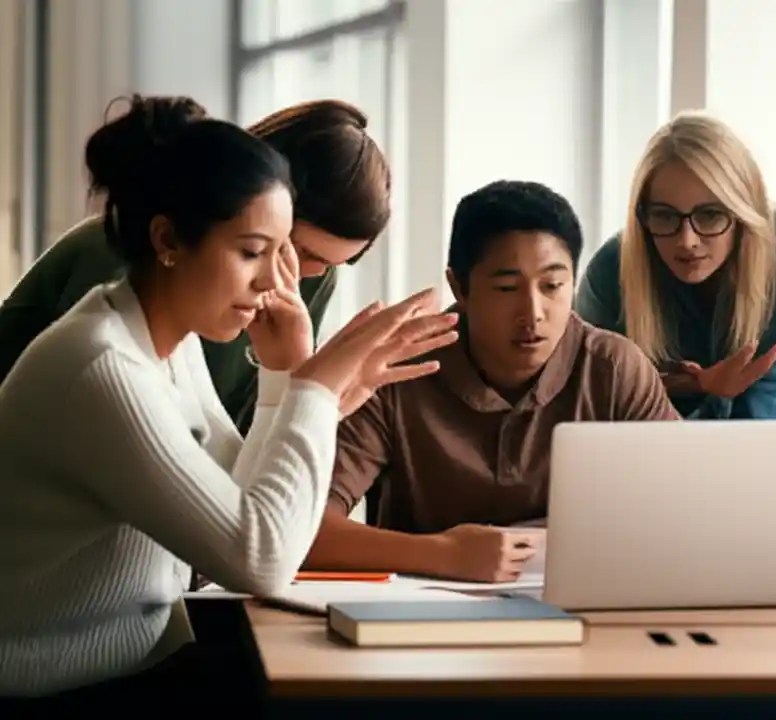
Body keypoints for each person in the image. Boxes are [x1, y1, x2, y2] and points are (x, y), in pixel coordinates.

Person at [0, 99, 455, 699]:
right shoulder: (101, 366)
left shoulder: (166, 342)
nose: (276, 282)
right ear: (167, 240)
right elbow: (258, 559)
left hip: (138, 656)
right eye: (252, 252)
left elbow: (238, 502)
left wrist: (287, 376)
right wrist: (314, 390)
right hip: (60, 682)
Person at [304, 180, 679, 583]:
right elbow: (301, 533)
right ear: (459, 288)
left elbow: (686, 511)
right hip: (421, 619)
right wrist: (445, 554)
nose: (533, 312)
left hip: (580, 609)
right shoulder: (397, 369)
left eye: (553, 286)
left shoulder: (614, 369)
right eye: (505, 287)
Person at [0, 95, 391, 433]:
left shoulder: (311, 278)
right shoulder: (120, 271)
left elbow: (242, 454)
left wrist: (311, 389)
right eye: (300, 252)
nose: (308, 273)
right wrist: (313, 402)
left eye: (337, 262)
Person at [576, 112, 776, 507]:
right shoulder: (613, 268)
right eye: (664, 215)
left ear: (743, 209)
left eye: (710, 215)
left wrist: (663, 395)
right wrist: (699, 386)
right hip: (651, 499)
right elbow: (592, 422)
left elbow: (763, 433)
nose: (687, 240)